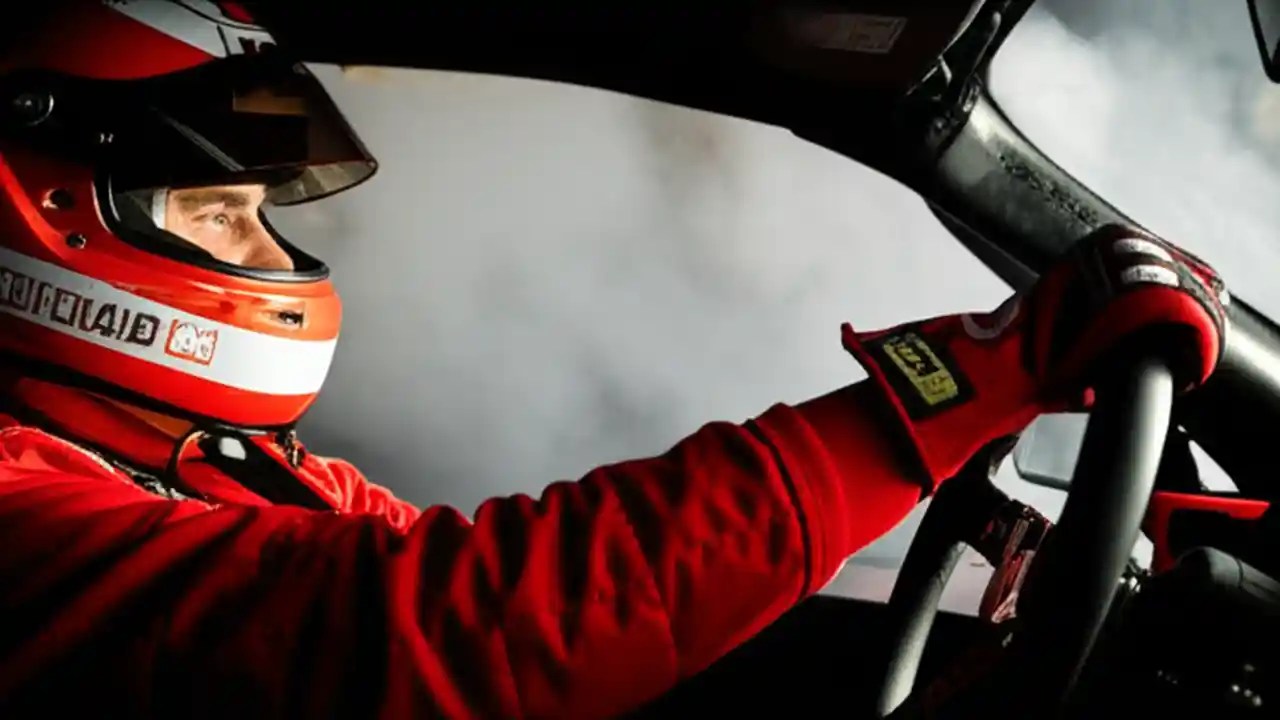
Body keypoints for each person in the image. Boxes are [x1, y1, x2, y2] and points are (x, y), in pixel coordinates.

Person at [0, 2, 1229, 718]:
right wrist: (965, 379)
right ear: (43, 210)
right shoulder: (24, 506)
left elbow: (544, 621)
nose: (264, 244)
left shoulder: (223, 466)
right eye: (222, 213)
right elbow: (458, 630)